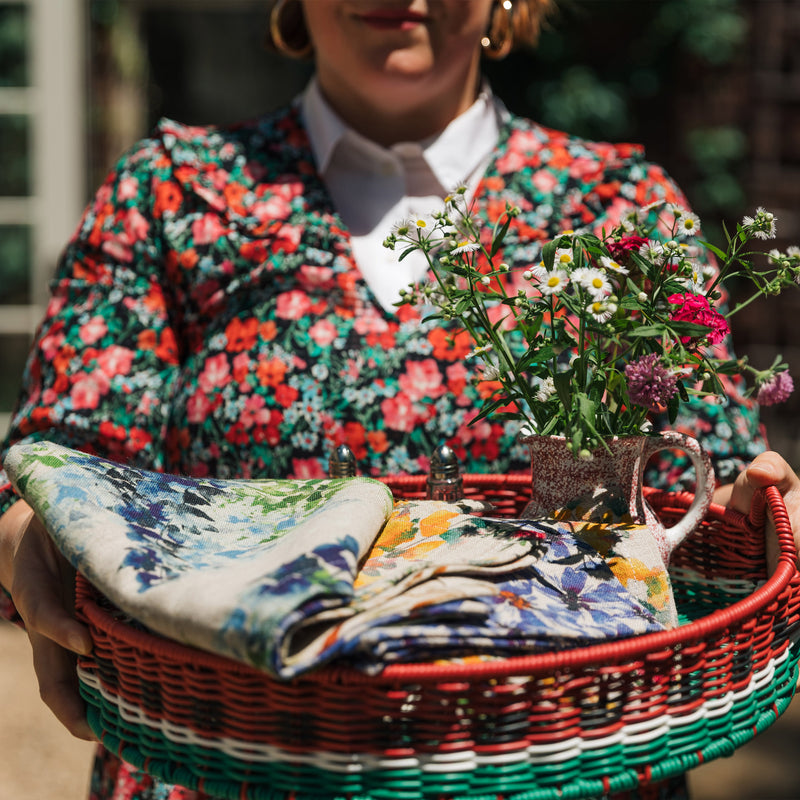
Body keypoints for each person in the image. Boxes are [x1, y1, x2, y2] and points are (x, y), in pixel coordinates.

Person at [0, 1, 798, 799]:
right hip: (236, 765)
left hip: (554, 764)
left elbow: (705, 486)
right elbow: (64, 468)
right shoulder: (177, 193)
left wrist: (754, 519)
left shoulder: (619, 210)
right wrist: (30, 529)